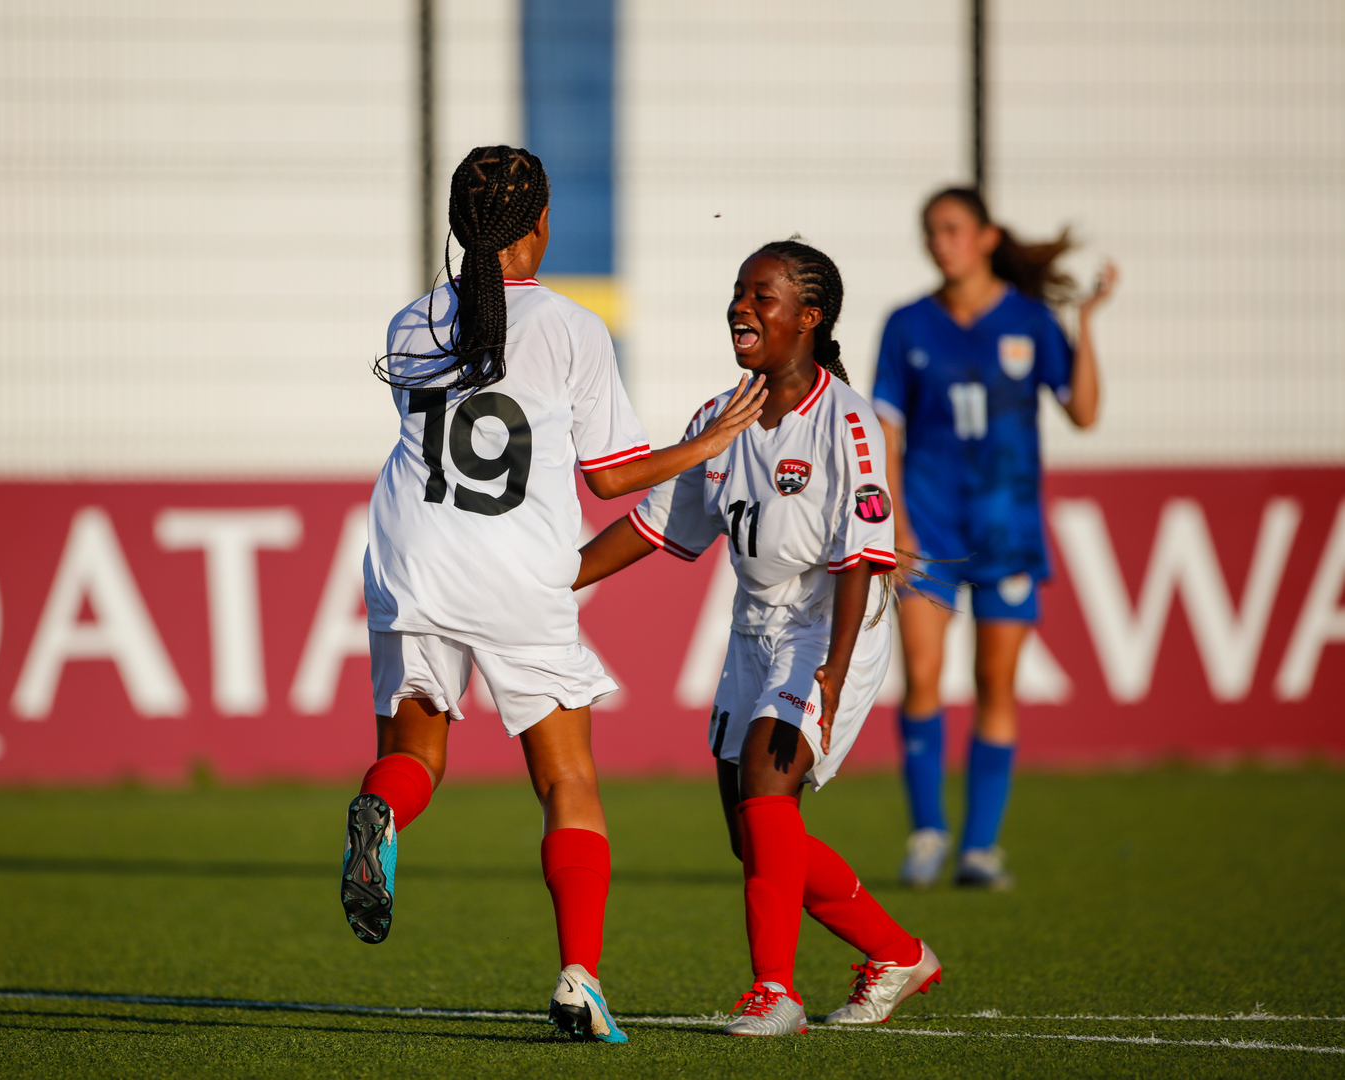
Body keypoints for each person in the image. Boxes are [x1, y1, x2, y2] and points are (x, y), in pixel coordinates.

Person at [344, 145, 767, 1043]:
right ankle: (580, 978)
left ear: (458, 225)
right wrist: (704, 444)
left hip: (409, 556)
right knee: (567, 777)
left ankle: (383, 813)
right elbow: (611, 479)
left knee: (415, 750)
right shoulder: (573, 327)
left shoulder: (410, 322)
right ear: (539, 225)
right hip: (512, 571)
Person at [574, 240, 941, 1037]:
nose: (741, 307)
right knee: (755, 836)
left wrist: (834, 670)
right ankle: (898, 953)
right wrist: (556, 580)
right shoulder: (720, 418)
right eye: (739, 292)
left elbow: (862, 556)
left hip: (828, 626)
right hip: (753, 634)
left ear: (809, 318)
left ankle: (775, 992)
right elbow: (653, 527)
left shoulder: (848, 419)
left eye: (761, 295)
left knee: (768, 791)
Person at [872, 188, 1117, 890]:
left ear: (985, 237)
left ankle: (979, 849)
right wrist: (895, 523)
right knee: (922, 675)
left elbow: (1084, 413)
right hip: (929, 526)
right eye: (931, 231)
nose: (940, 242)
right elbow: (887, 430)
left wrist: (1085, 324)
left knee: (994, 684)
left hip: (1006, 530)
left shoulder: (1031, 321)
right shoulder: (907, 324)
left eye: (952, 229)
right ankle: (927, 833)